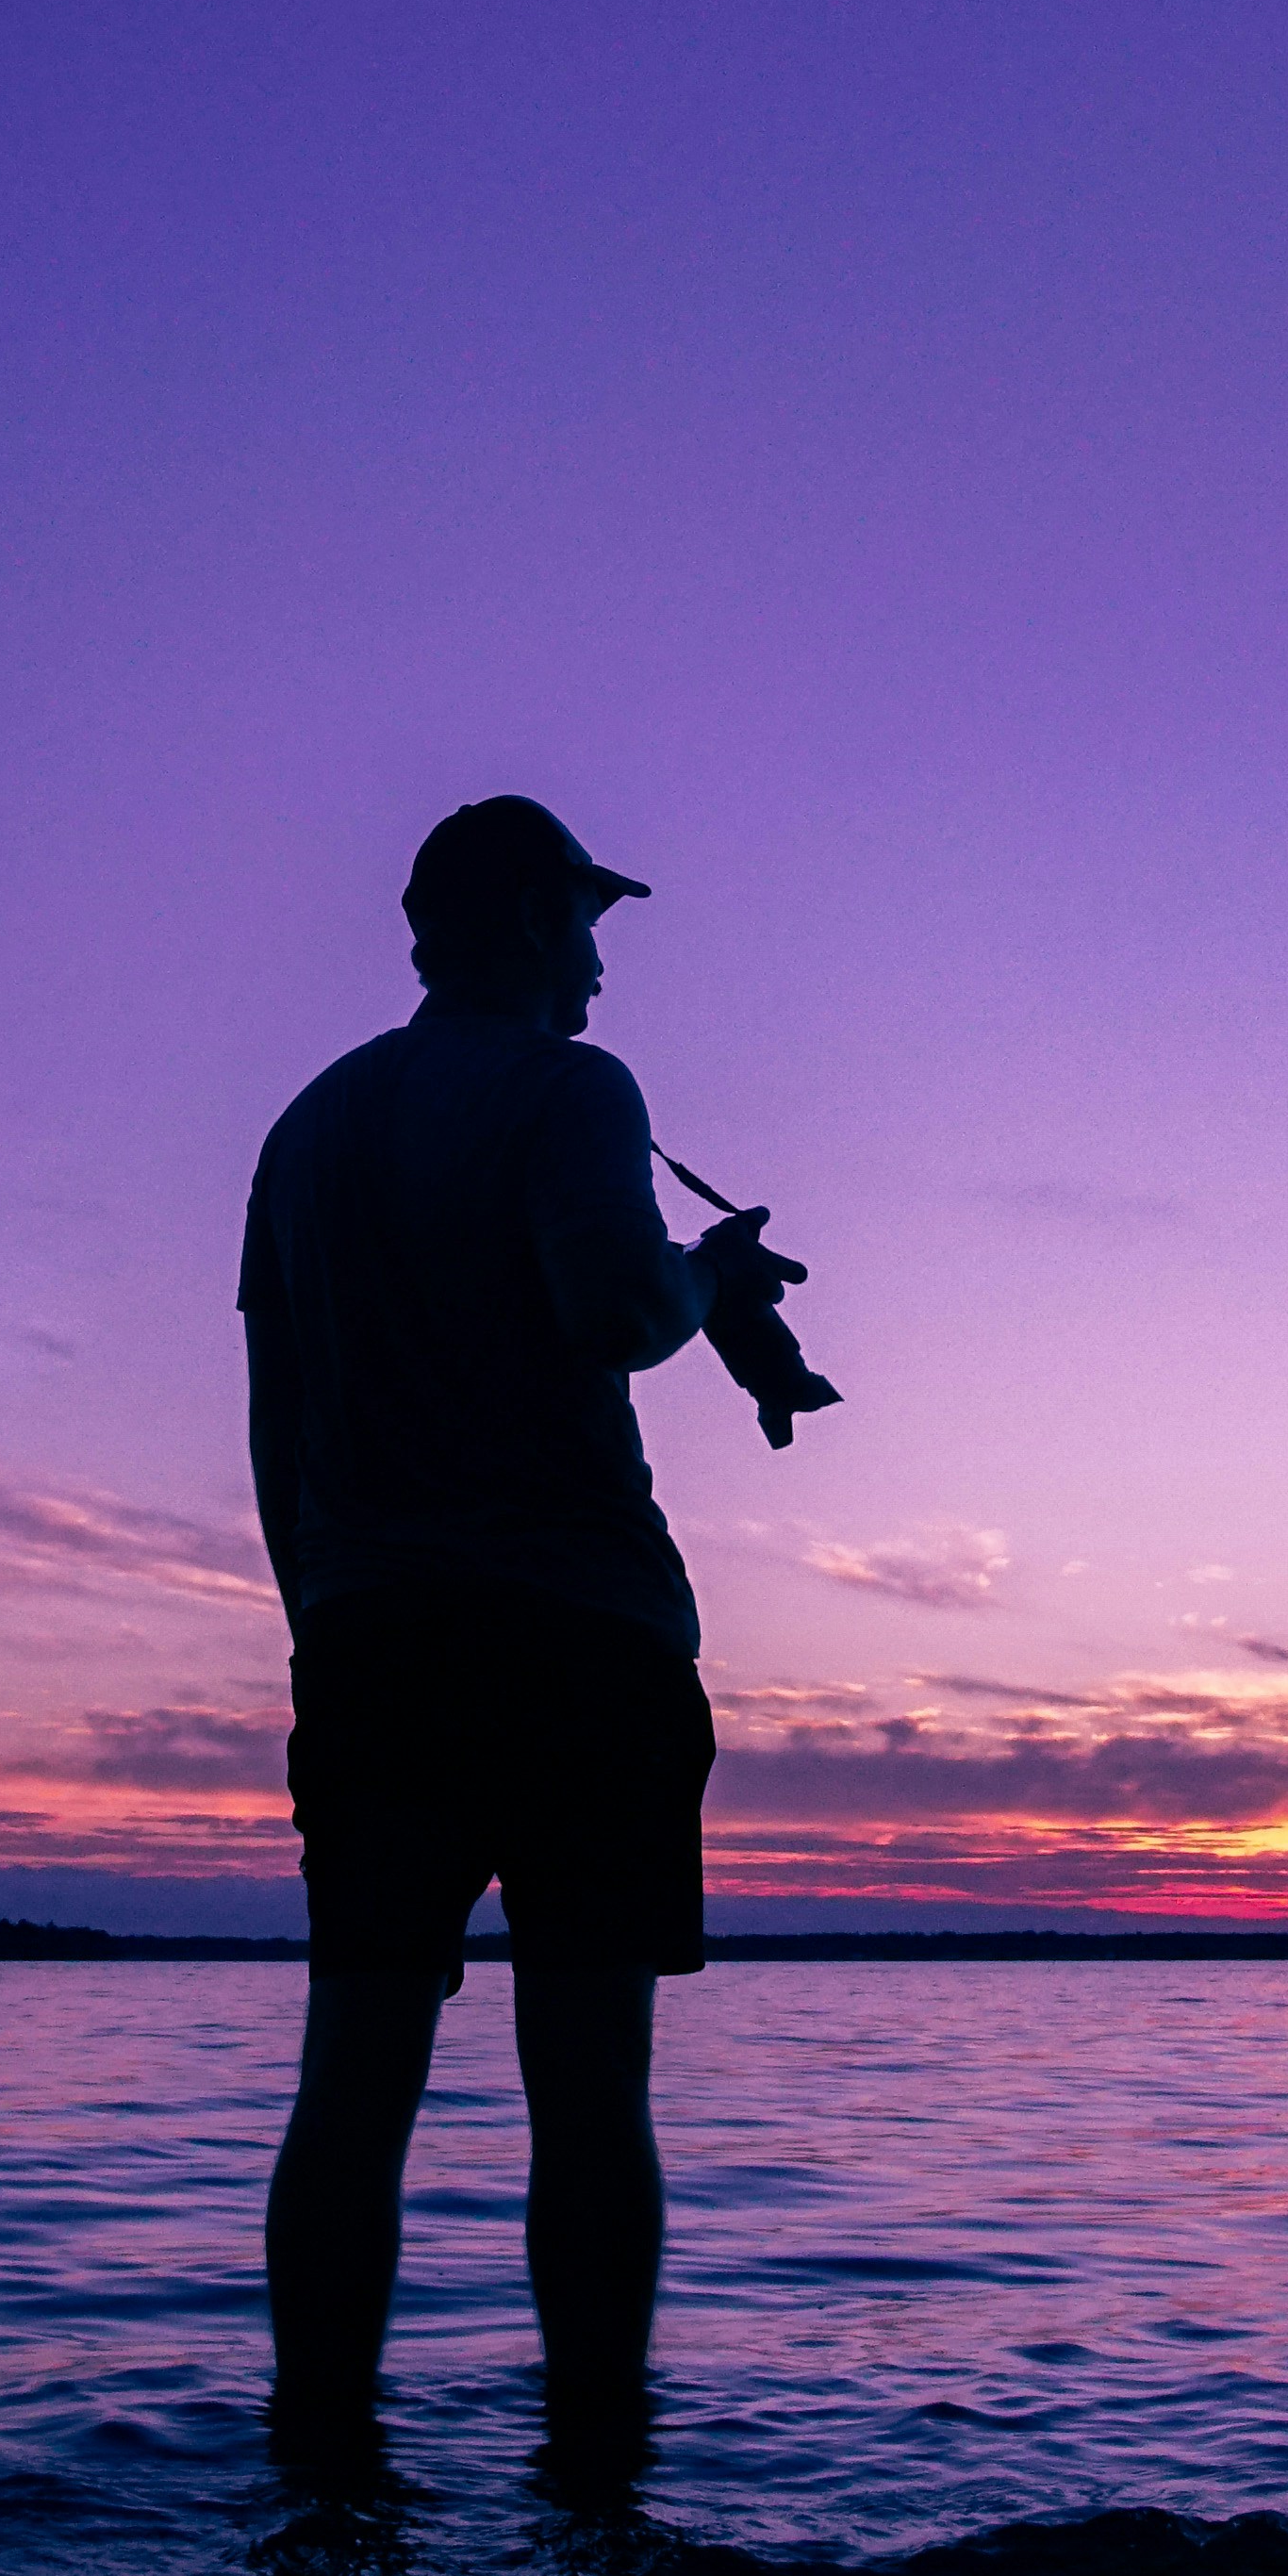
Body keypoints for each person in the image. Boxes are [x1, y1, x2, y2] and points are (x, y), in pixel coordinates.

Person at [237, 795, 797, 2439]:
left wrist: (320, 1619)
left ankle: (323, 2481)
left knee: (352, 2080)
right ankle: (597, 2487)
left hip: (370, 1646)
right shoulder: (574, 1089)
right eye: (591, 929)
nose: (604, 974)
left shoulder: (304, 1130)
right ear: (541, 926)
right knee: (588, 2092)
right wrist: (709, 1276)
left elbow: (277, 1425)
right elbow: (622, 1309)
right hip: (576, 1643)